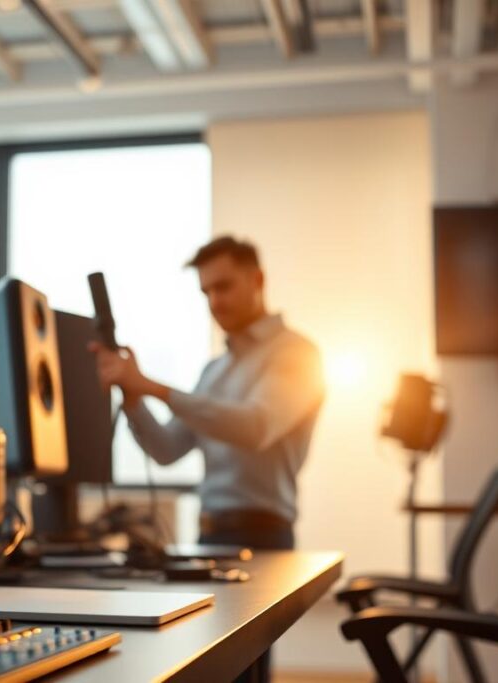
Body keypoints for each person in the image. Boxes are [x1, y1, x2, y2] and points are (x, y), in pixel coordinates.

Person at [91, 235, 325, 681]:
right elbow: (167, 450)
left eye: (224, 286)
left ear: (258, 280)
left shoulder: (297, 353)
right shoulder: (213, 371)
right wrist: (132, 396)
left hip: (264, 538)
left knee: (247, 672)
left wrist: (153, 387)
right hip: (208, 535)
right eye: (206, 292)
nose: (215, 301)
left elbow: (256, 426)